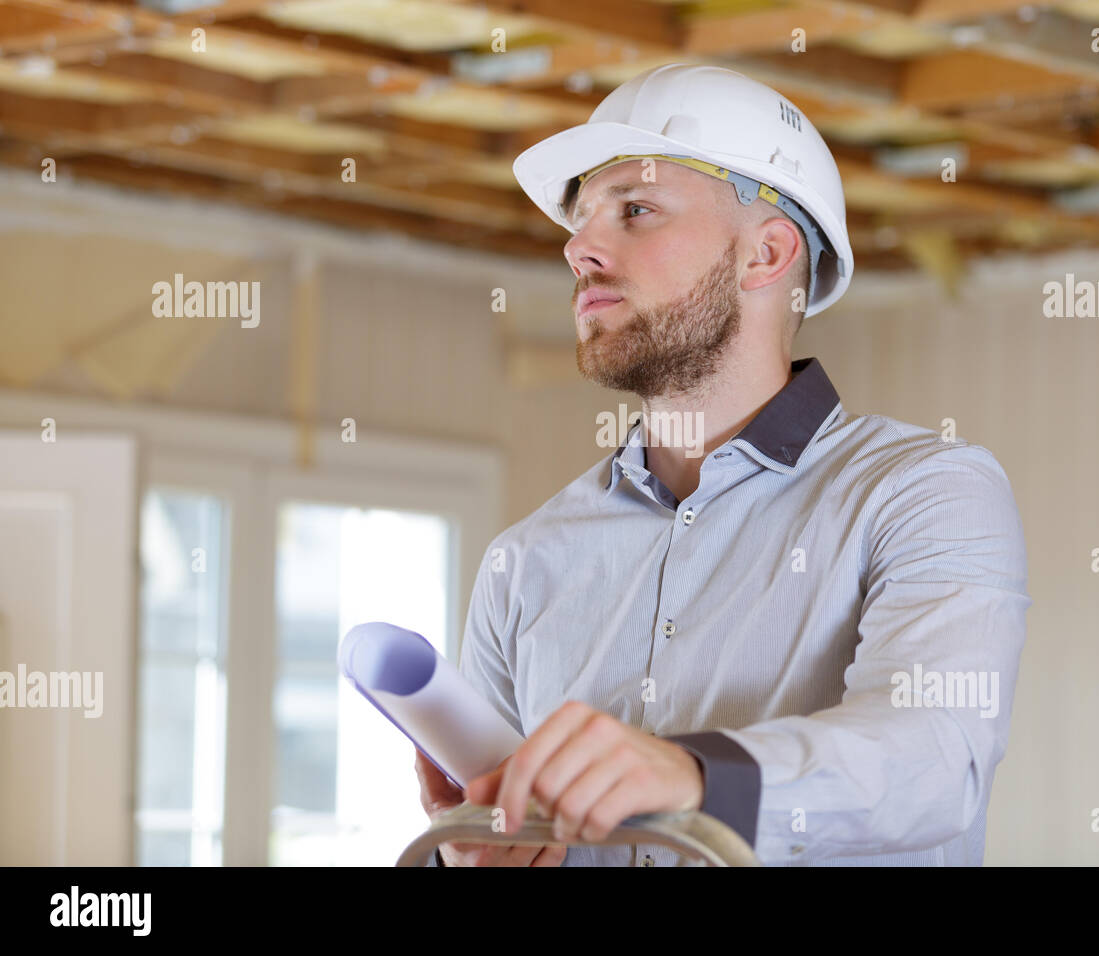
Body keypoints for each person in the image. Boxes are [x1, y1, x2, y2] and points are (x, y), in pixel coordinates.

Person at [416, 62, 1030, 867]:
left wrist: (692, 776)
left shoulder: (924, 495)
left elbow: (935, 758)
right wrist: (472, 854)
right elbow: (501, 831)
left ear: (766, 253)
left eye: (634, 210)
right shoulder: (523, 562)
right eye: (581, 219)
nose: (579, 248)